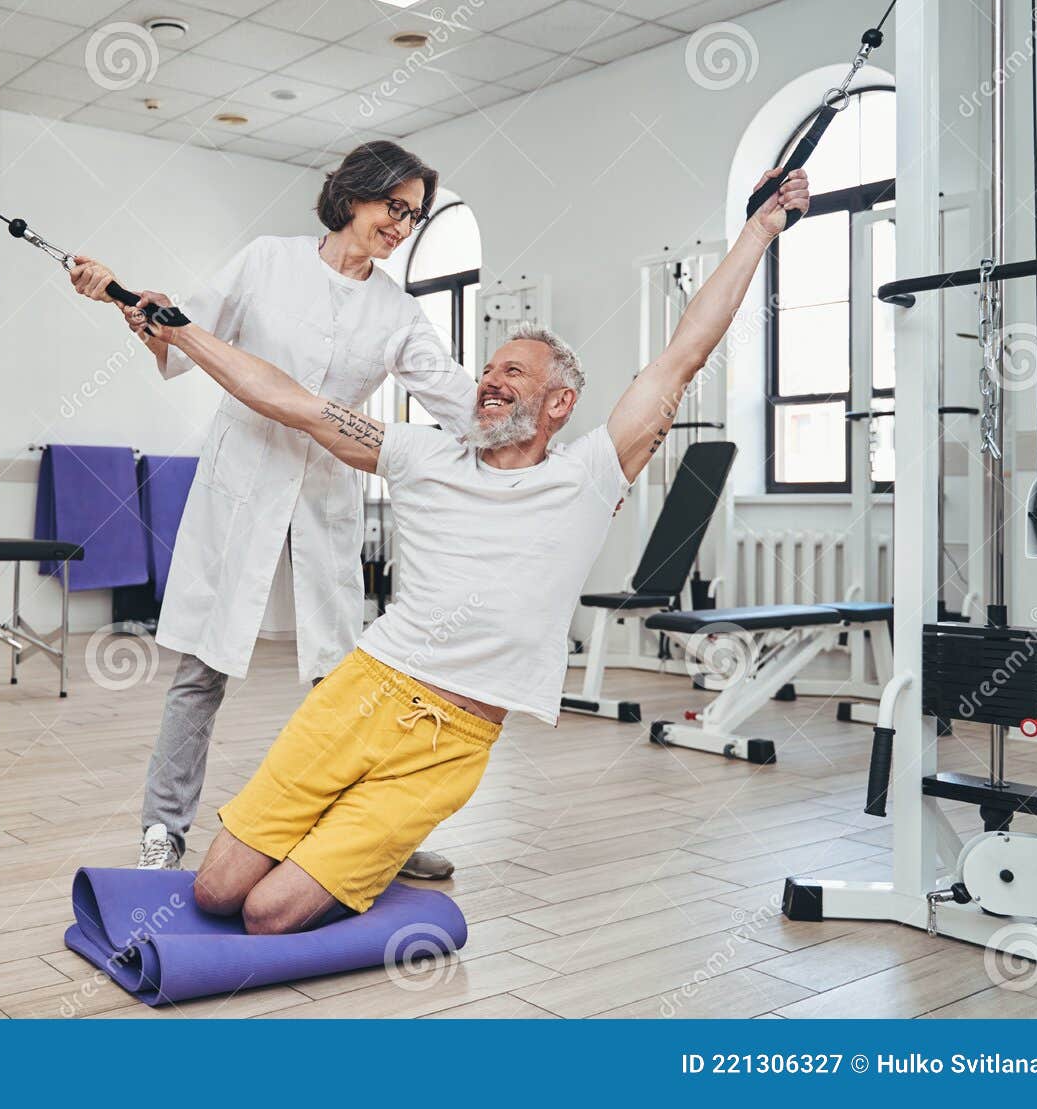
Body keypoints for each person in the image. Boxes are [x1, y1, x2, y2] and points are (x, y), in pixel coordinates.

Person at [96, 166, 810, 931]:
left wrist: (760, 229)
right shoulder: (418, 452)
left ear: (561, 403)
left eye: (513, 372)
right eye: (489, 368)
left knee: (269, 913)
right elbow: (292, 400)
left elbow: (685, 353)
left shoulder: (591, 472)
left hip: (452, 737)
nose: (490, 382)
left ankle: (354, 844)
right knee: (213, 892)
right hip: (362, 692)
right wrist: (181, 329)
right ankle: (303, 836)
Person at [69, 141, 474, 879]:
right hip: (243, 477)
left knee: (343, 676)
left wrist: (533, 429)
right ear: (355, 194)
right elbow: (186, 334)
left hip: (324, 487)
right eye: (395, 207)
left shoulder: (396, 310)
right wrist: (128, 301)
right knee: (203, 663)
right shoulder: (266, 261)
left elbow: (454, 394)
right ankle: (163, 830)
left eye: (414, 215)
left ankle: (375, 830)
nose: (402, 224)